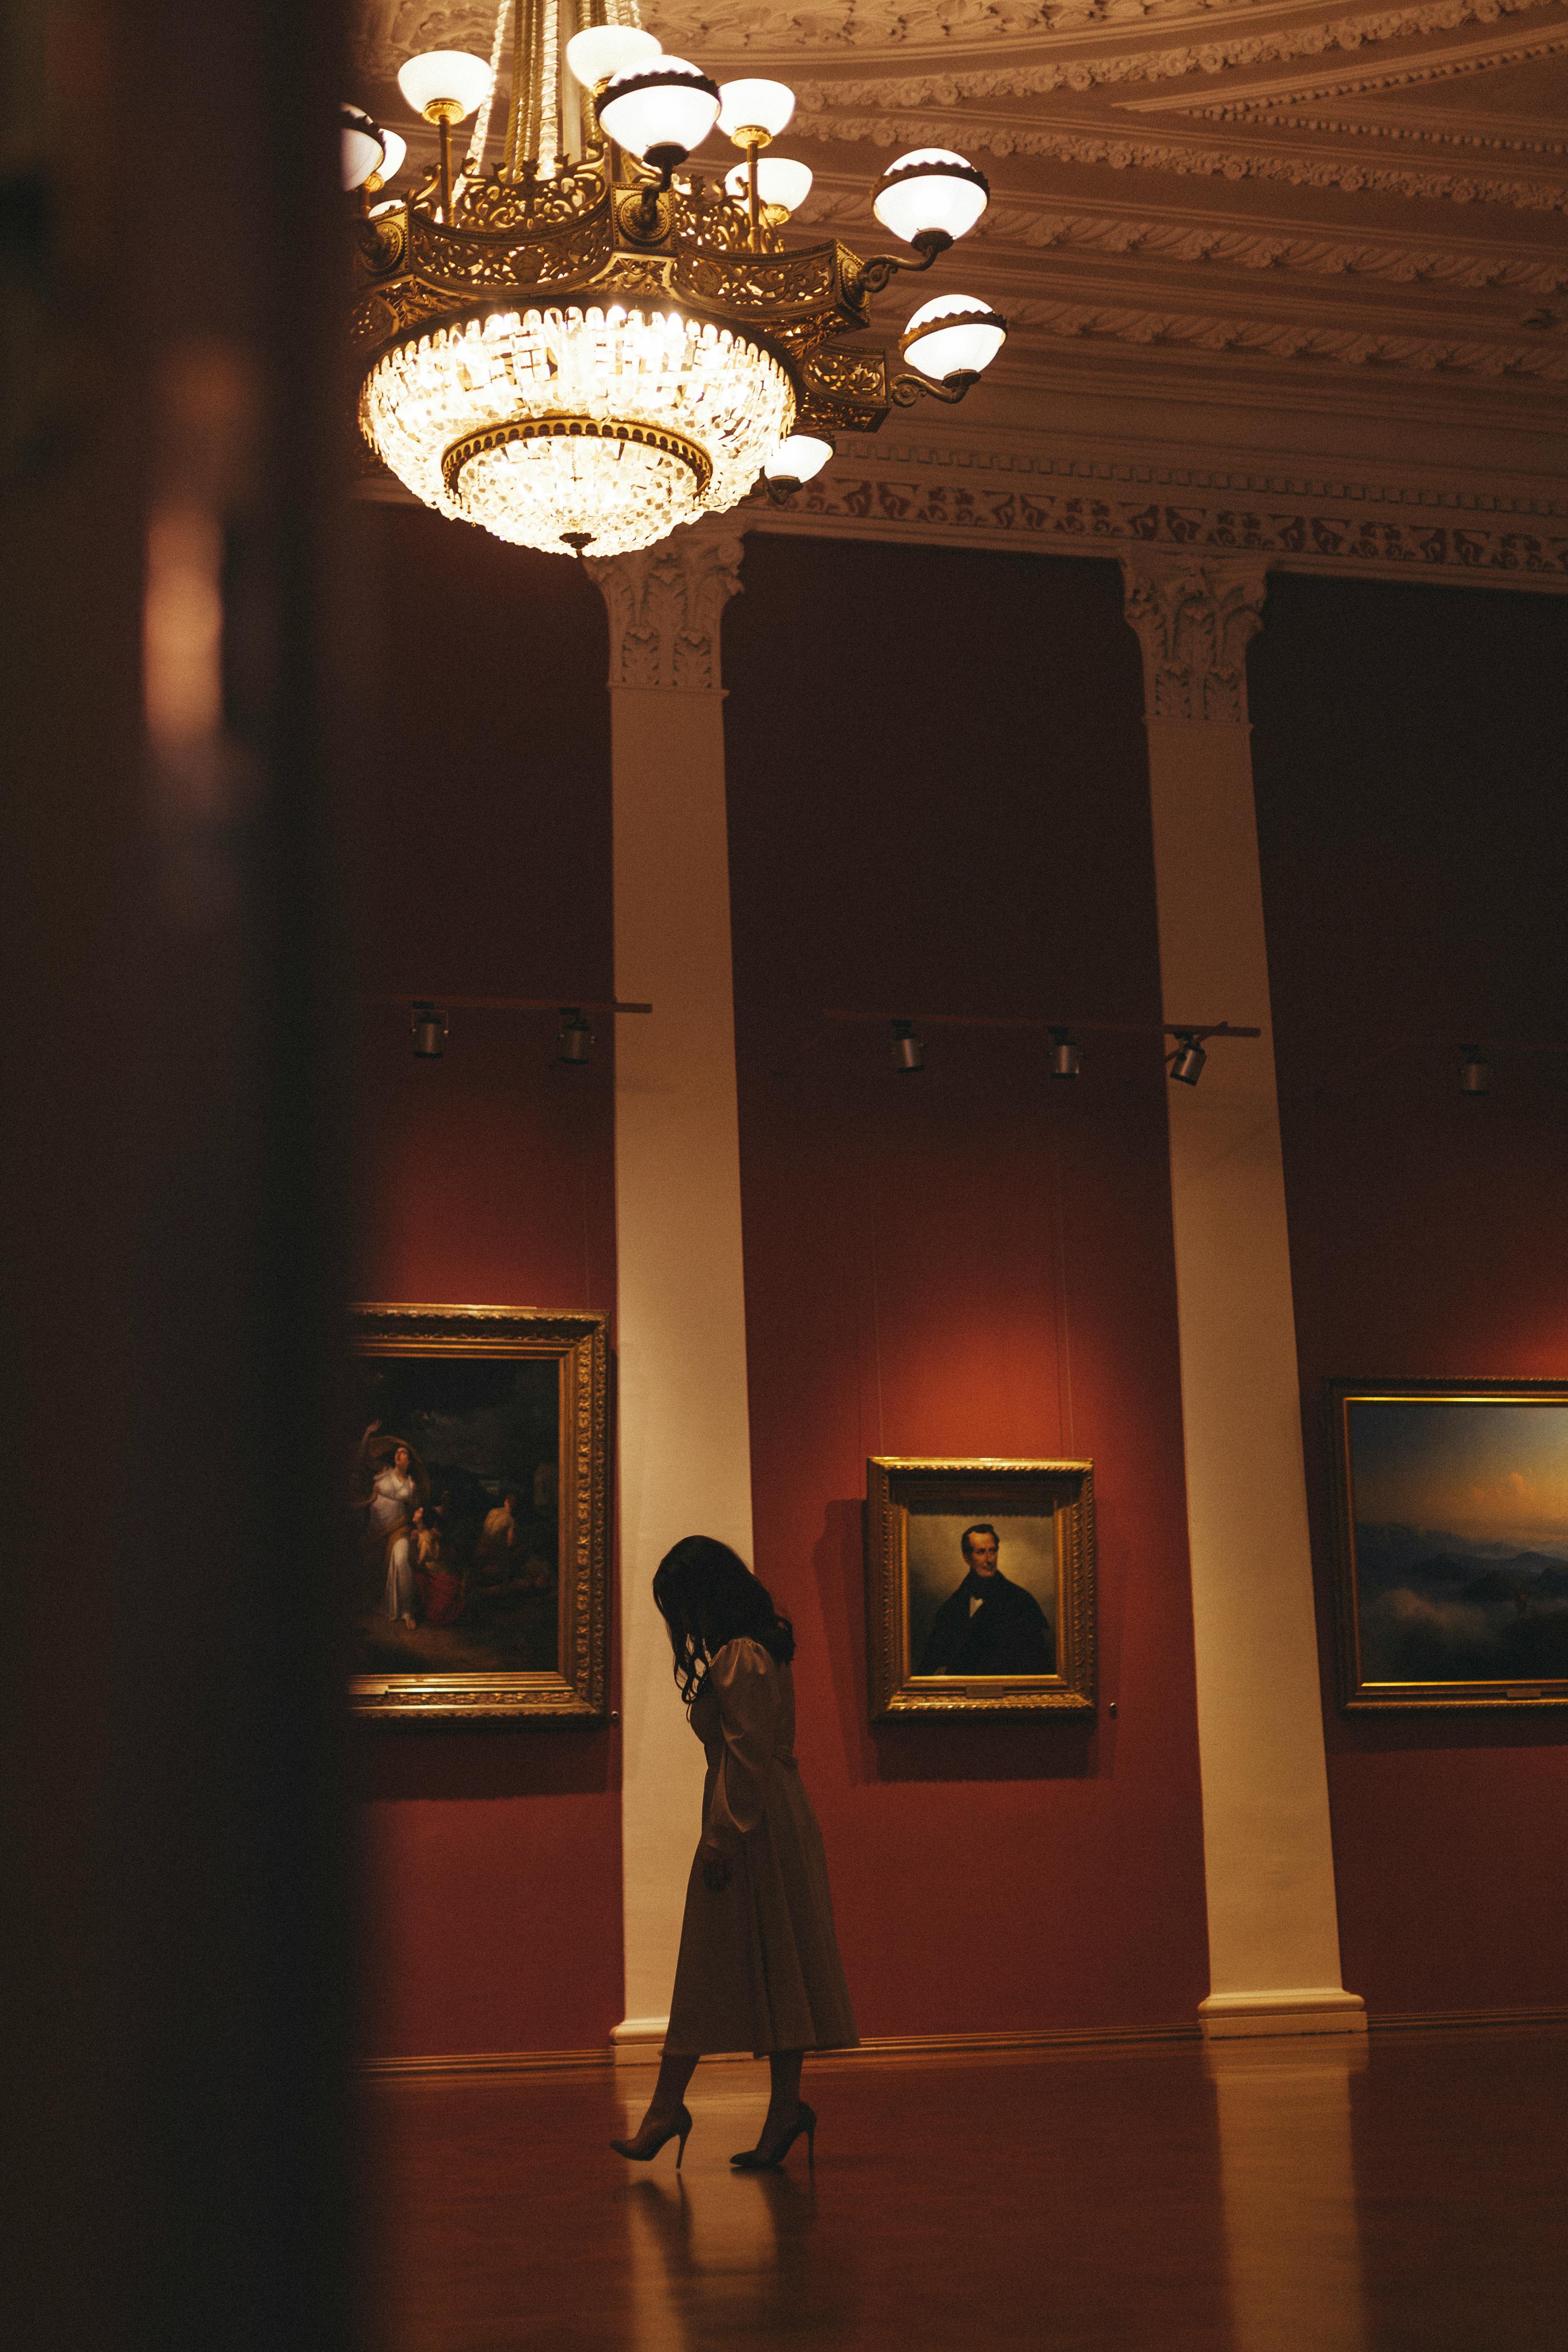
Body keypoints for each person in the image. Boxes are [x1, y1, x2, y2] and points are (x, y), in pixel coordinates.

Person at [610, 1536, 859, 2174]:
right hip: (768, 1813)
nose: (681, 1622)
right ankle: (775, 2109)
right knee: (777, 1961)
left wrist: (721, 1833)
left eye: (681, 1605)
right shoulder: (755, 1650)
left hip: (751, 1819)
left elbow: (746, 1753)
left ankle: (675, 2109)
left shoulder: (741, 1656)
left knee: (712, 1959)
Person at [916, 1522, 1054, 1675]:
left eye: (993, 1551)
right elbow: (931, 1663)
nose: (989, 1560)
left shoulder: (1021, 1602)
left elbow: (1037, 1665)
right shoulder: (953, 1606)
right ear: (967, 1558)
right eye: (981, 1552)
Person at [357, 1425, 426, 1630]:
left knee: (402, 1560)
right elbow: (362, 1461)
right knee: (368, 1566)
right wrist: (367, 1434)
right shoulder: (383, 1472)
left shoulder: (412, 1485)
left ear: (409, 1462)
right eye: (397, 1452)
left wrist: (418, 1527)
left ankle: (407, 1611)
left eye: (403, 1453)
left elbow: (416, 1509)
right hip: (377, 1531)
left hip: (399, 1530)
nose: (399, 1454)